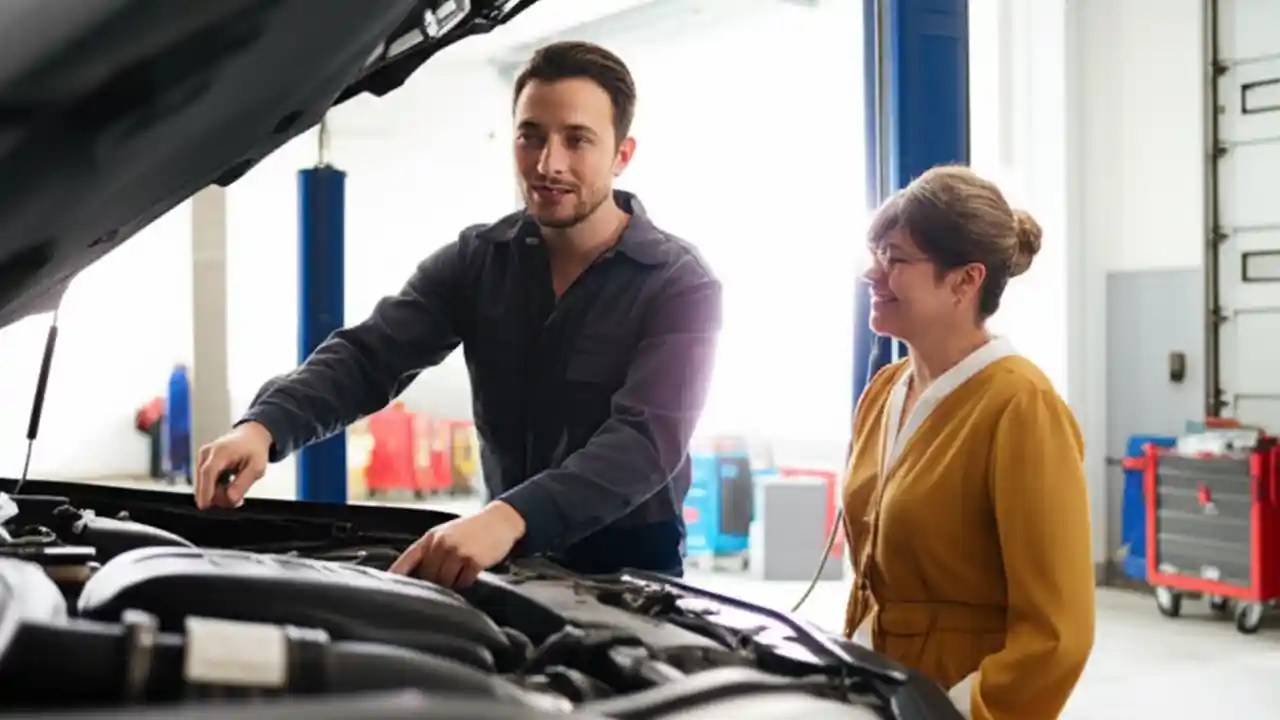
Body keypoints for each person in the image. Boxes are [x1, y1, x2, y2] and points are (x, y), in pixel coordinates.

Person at [193, 40, 722, 590]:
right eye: (530, 136)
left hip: (631, 574)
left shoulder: (679, 284)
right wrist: (265, 425)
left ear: (622, 154)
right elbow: (370, 355)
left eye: (577, 140)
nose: (548, 163)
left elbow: (644, 444)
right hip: (504, 561)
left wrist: (509, 518)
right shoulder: (478, 263)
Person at [843, 165, 1094, 719]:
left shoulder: (1020, 405)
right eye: (875, 253)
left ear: (965, 281)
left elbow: (1059, 634)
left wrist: (959, 711)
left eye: (896, 259)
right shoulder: (887, 389)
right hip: (875, 690)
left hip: (954, 703)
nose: (872, 273)